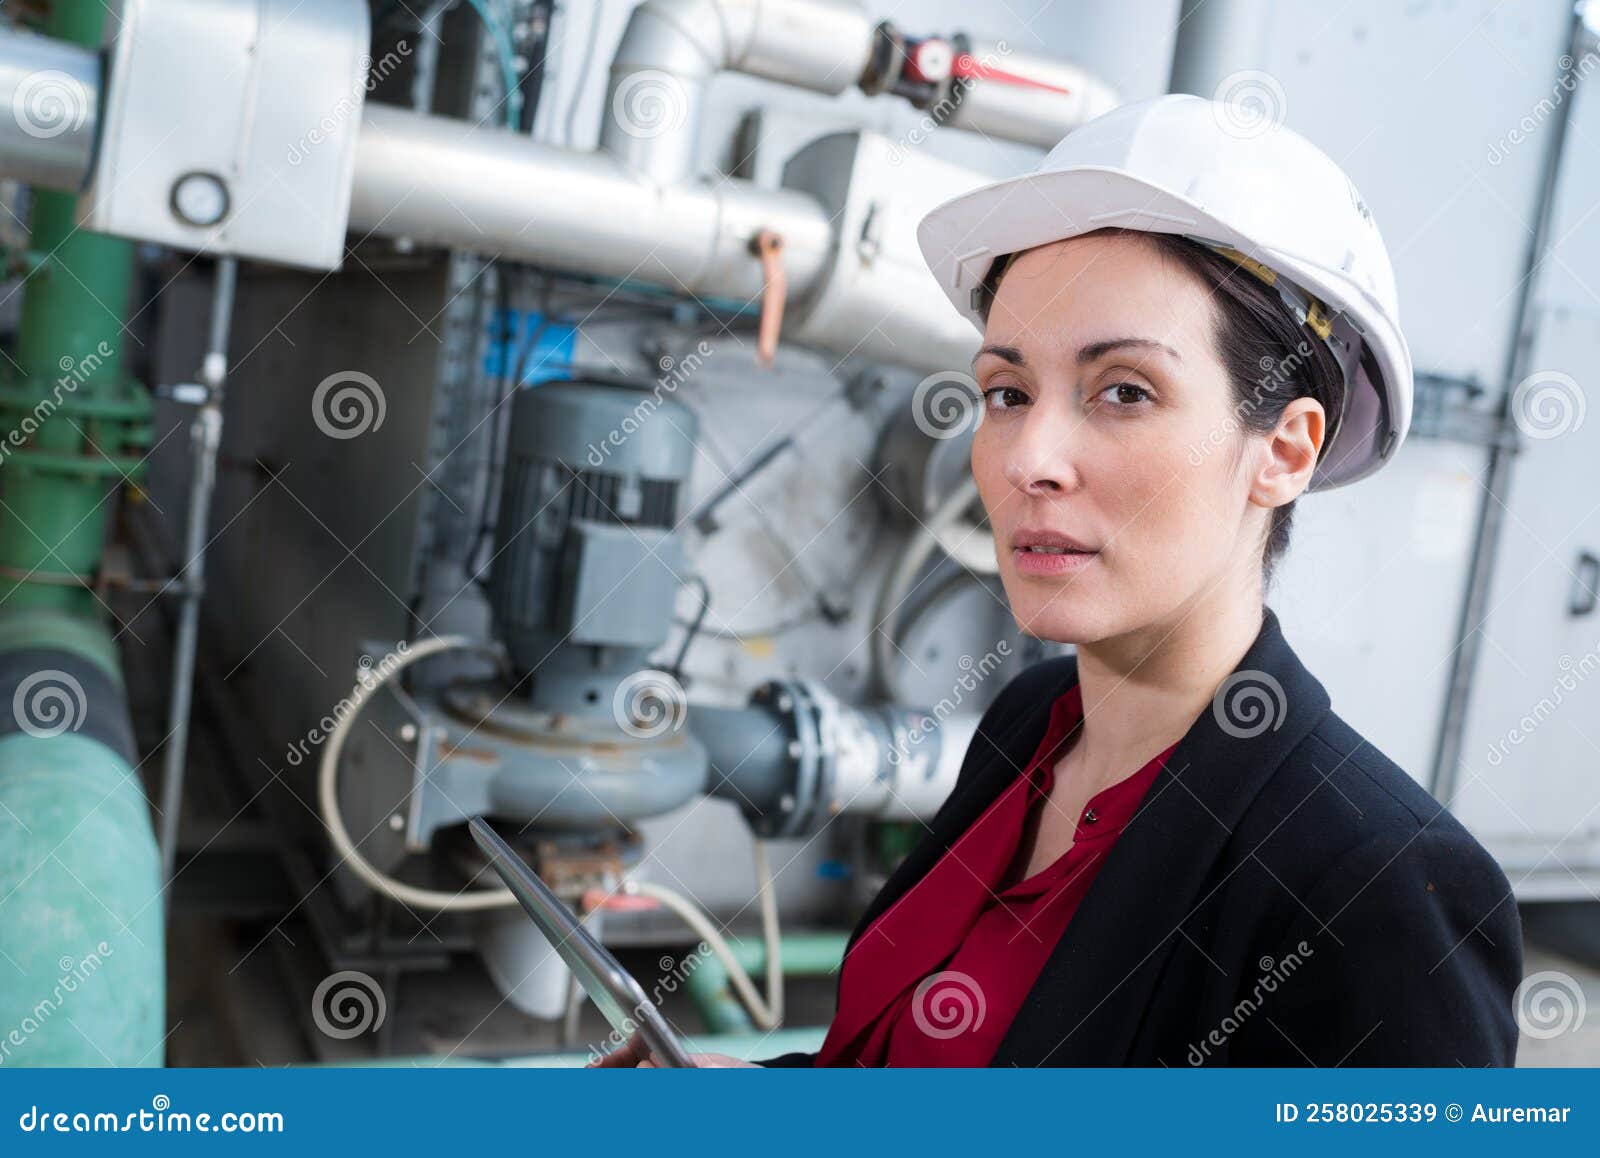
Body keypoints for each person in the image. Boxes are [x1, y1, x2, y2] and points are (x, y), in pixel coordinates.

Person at [594, 93, 1523, 1068]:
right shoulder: (1031, 725)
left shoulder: (1377, 887)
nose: (1027, 456)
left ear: (1283, 450)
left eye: (1124, 391)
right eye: (1006, 392)